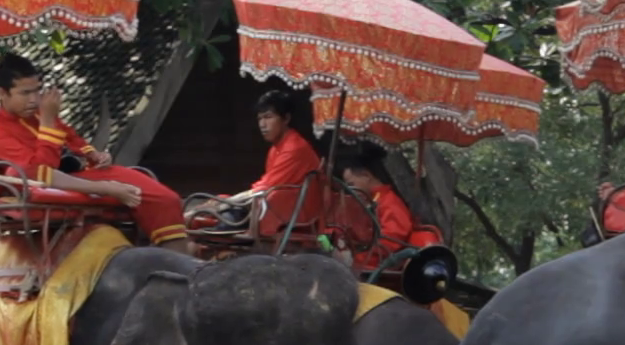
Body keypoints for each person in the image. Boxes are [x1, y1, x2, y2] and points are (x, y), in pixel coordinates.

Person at [0, 53, 193, 253]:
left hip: (80, 174)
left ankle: (171, 254)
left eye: (37, 91)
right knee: (160, 199)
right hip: (57, 181)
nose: (34, 100)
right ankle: (178, 261)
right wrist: (106, 188)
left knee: (167, 199)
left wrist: (94, 154)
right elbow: (44, 171)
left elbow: (72, 138)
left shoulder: (38, 113)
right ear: (2, 93)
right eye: (25, 93)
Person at [183, 89, 323, 233]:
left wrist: (223, 205)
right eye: (260, 118)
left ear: (286, 119)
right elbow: (264, 186)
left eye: (268, 117)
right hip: (274, 206)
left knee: (221, 218)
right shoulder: (277, 148)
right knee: (216, 207)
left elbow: (263, 191)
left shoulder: (294, 148)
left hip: (293, 214)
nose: (262, 124)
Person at [340, 143, 438, 271]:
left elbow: (391, 242)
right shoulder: (370, 201)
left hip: (383, 268)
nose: (350, 189)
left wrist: (356, 258)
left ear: (366, 175)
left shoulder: (389, 201)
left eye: (351, 183)